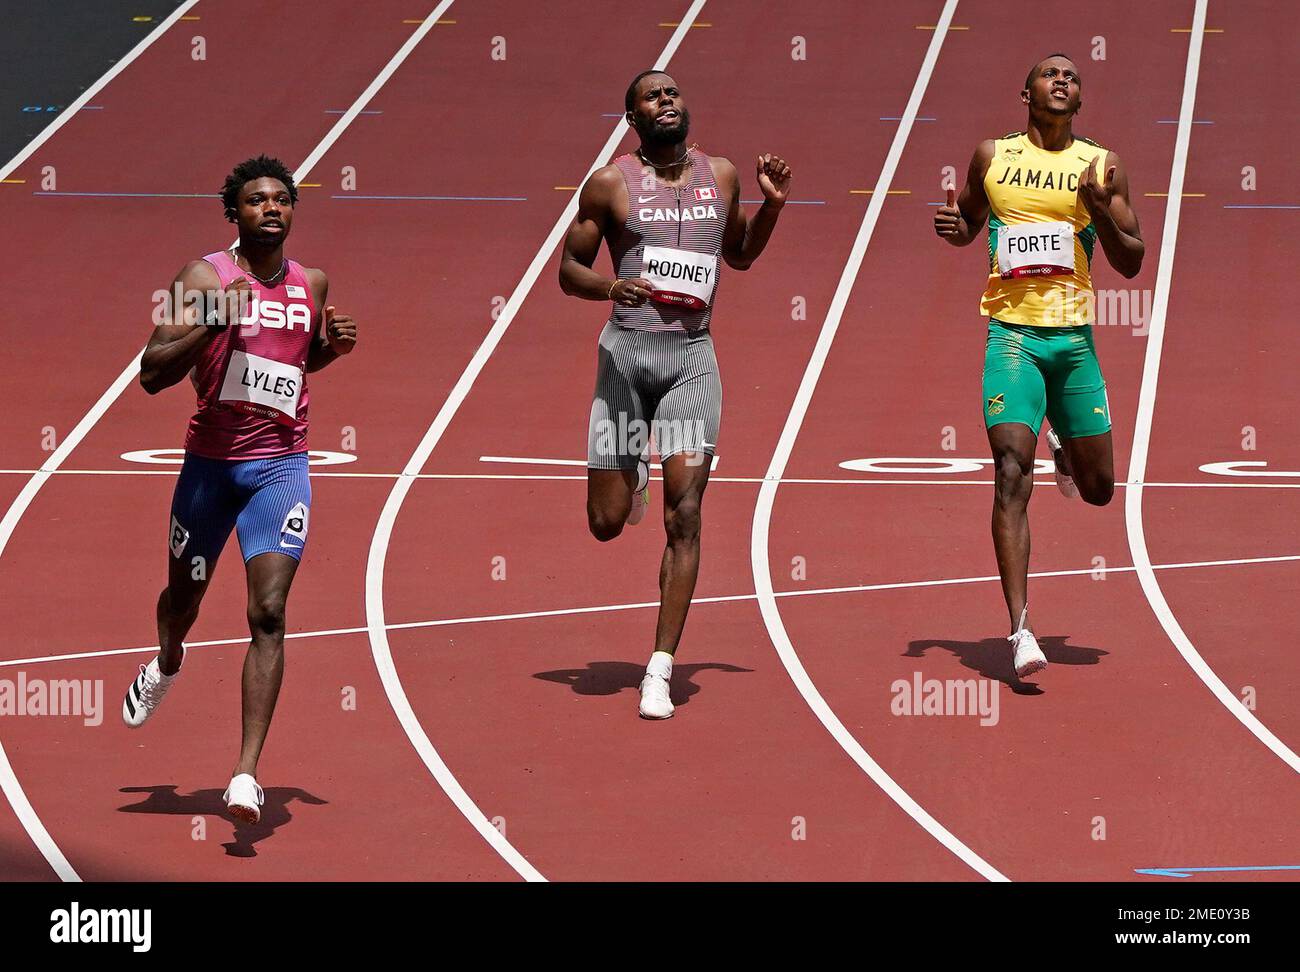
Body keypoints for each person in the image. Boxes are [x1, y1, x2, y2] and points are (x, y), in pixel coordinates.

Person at [122, 155, 357, 822]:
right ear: (235, 212)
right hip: (211, 467)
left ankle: (246, 774)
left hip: (282, 467)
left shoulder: (311, 282)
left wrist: (330, 350)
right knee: (182, 601)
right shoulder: (200, 278)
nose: (271, 209)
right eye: (256, 200)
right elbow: (150, 371)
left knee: (270, 613)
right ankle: (168, 660)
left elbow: (294, 360)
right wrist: (210, 323)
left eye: (282, 199)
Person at [559, 70, 790, 718]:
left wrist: (771, 204)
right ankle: (628, 478)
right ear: (632, 118)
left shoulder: (722, 175)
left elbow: (739, 256)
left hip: (692, 360)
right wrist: (610, 289)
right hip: (626, 359)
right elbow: (567, 270)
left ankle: (659, 667)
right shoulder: (609, 183)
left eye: (674, 93)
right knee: (605, 524)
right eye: (652, 97)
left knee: (684, 515)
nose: (667, 102)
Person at [933, 54, 1143, 678]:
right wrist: (957, 229)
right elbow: (971, 221)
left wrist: (1099, 209)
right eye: (1050, 75)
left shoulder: (1100, 164)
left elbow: (1132, 260)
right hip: (1012, 338)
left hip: (1073, 342)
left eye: (1072, 78)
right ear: (1024, 92)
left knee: (1101, 490)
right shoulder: (991, 156)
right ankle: (1021, 627)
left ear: (1080, 100)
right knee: (1008, 472)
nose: (1061, 81)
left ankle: (1067, 453)